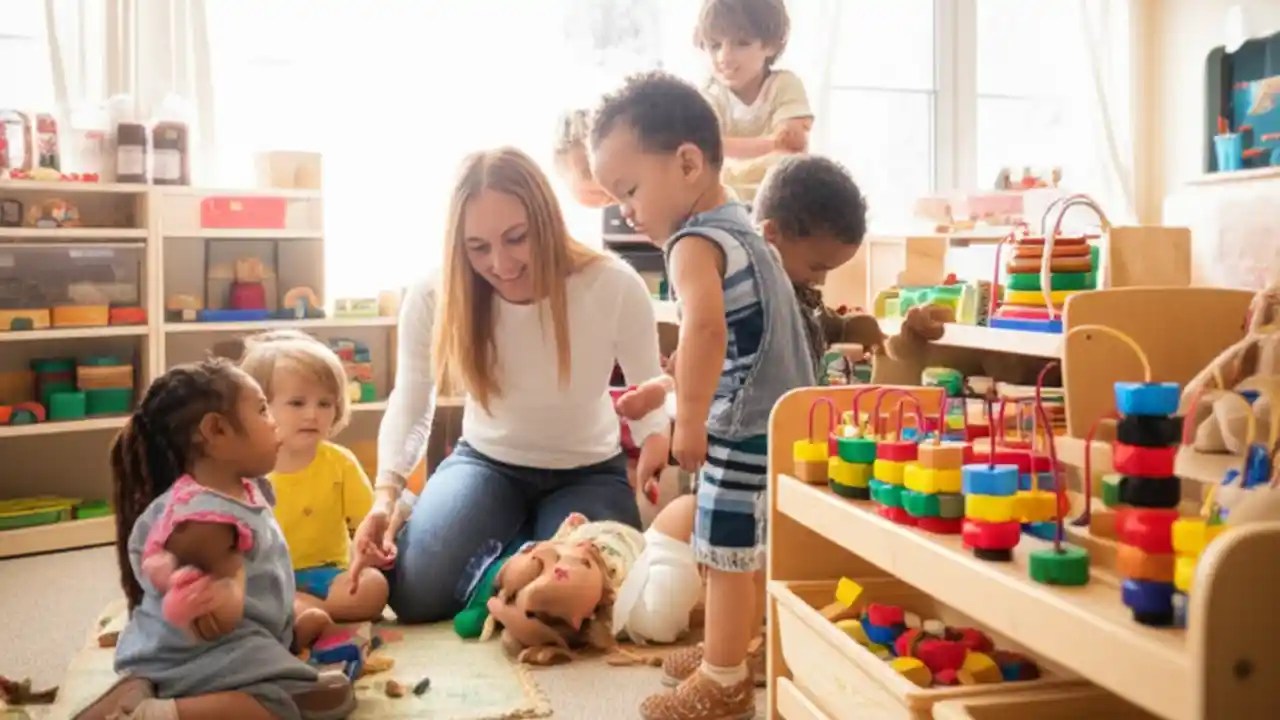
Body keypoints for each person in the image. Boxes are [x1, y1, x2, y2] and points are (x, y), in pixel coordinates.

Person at [346, 147, 670, 625]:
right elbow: (413, 398)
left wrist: (654, 444)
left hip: (587, 471)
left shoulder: (613, 284)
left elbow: (648, 389)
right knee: (414, 597)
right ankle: (518, 556)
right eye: (478, 248)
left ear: (546, 221)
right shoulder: (435, 293)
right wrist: (385, 494)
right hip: (485, 463)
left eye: (517, 238)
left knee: (590, 606)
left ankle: (512, 557)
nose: (500, 263)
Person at [590, 70, 814, 720]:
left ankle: (724, 679)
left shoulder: (692, 242)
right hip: (785, 418)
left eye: (630, 190)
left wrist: (687, 418)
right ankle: (740, 645)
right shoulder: (741, 227)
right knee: (752, 545)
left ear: (687, 161)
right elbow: (738, 337)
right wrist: (671, 381)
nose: (625, 210)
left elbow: (706, 328)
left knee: (723, 542)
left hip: (740, 424)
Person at [76, 359, 353, 720]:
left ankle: (148, 686)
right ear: (217, 431)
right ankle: (157, 712)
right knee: (321, 700)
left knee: (301, 624)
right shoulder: (206, 521)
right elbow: (213, 619)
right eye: (262, 410)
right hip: (202, 652)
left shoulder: (228, 492)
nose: (273, 423)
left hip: (197, 647)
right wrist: (222, 600)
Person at [239, 331, 389, 622]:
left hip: (329, 575)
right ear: (259, 408)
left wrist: (370, 550)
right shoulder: (246, 468)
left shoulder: (340, 463)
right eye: (297, 403)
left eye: (324, 403)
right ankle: (298, 612)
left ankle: (304, 612)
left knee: (374, 587)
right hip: (266, 578)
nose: (313, 414)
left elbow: (367, 523)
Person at [694, 0, 813, 204]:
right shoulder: (709, 94)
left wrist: (732, 151)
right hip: (723, 194)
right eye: (715, 45)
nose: (725, 56)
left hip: (779, 192)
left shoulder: (785, 84)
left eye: (742, 43)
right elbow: (707, 147)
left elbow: (793, 143)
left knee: (793, 167)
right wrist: (772, 143)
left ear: (771, 45)